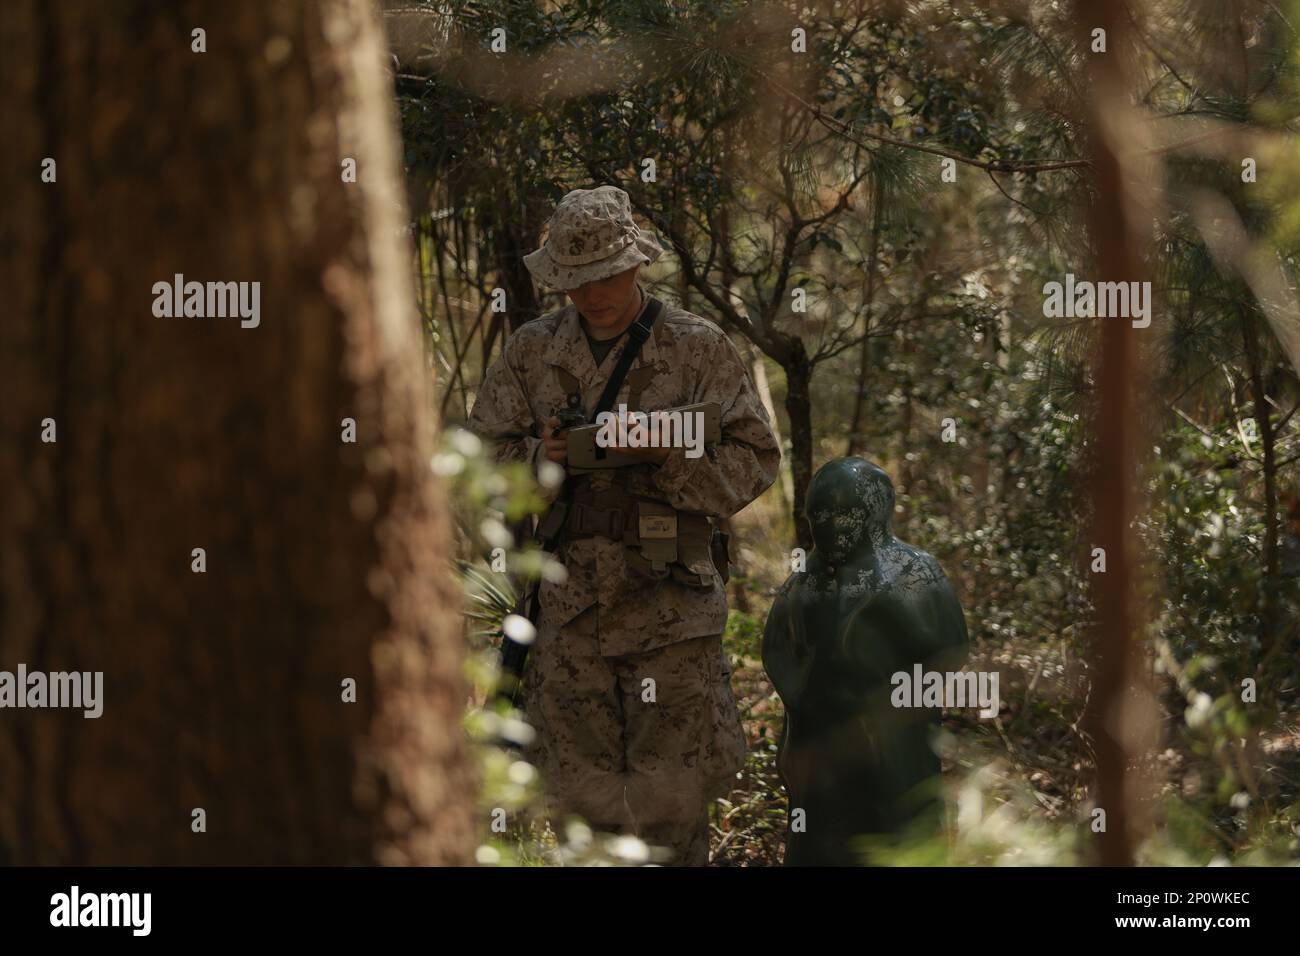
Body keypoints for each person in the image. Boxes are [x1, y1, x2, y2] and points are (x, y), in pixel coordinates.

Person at [468, 184, 780, 865]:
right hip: (569, 613)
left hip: (671, 612)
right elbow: (482, 461)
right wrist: (539, 458)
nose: (592, 293)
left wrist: (666, 455)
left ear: (635, 264)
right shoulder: (531, 352)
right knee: (585, 807)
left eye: (605, 276)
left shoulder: (696, 348)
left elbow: (756, 457)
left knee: (672, 805)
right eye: (575, 281)